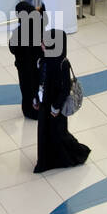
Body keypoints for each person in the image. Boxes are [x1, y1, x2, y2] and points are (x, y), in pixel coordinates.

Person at [33, 29, 90, 173]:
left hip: (55, 107)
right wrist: (36, 97)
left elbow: (65, 89)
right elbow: (40, 81)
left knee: (58, 133)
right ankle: (45, 161)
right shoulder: (44, 59)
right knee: (44, 132)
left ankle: (71, 155)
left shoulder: (62, 64)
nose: (42, 45)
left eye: (45, 43)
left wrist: (56, 107)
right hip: (44, 102)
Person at [9, 1, 45, 120]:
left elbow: (12, 48)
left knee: (27, 89)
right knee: (38, 86)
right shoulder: (38, 25)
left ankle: (29, 110)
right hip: (38, 65)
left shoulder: (18, 33)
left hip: (24, 68)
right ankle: (40, 108)